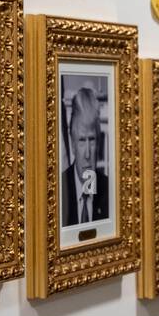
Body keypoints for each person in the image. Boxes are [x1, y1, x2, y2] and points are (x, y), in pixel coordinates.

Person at [61, 86, 109, 226]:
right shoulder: (58, 190)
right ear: (73, 143)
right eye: (82, 140)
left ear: (99, 142)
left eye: (92, 140)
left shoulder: (110, 191)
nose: (87, 154)